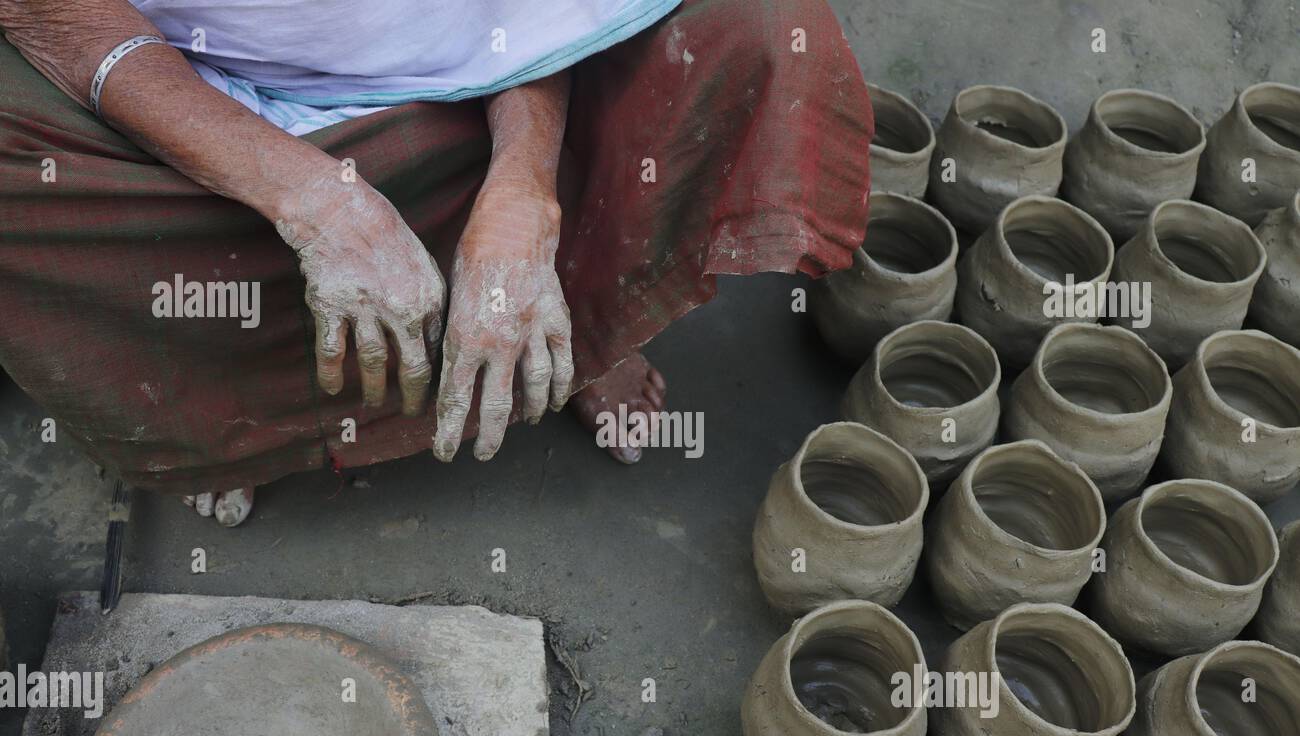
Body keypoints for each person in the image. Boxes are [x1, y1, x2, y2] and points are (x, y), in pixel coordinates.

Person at [0, 0, 873, 526]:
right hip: (201, 63)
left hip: (459, 45)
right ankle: (230, 423)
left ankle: (590, 321)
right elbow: (59, 18)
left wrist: (526, 194)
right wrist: (314, 201)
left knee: (760, 27)